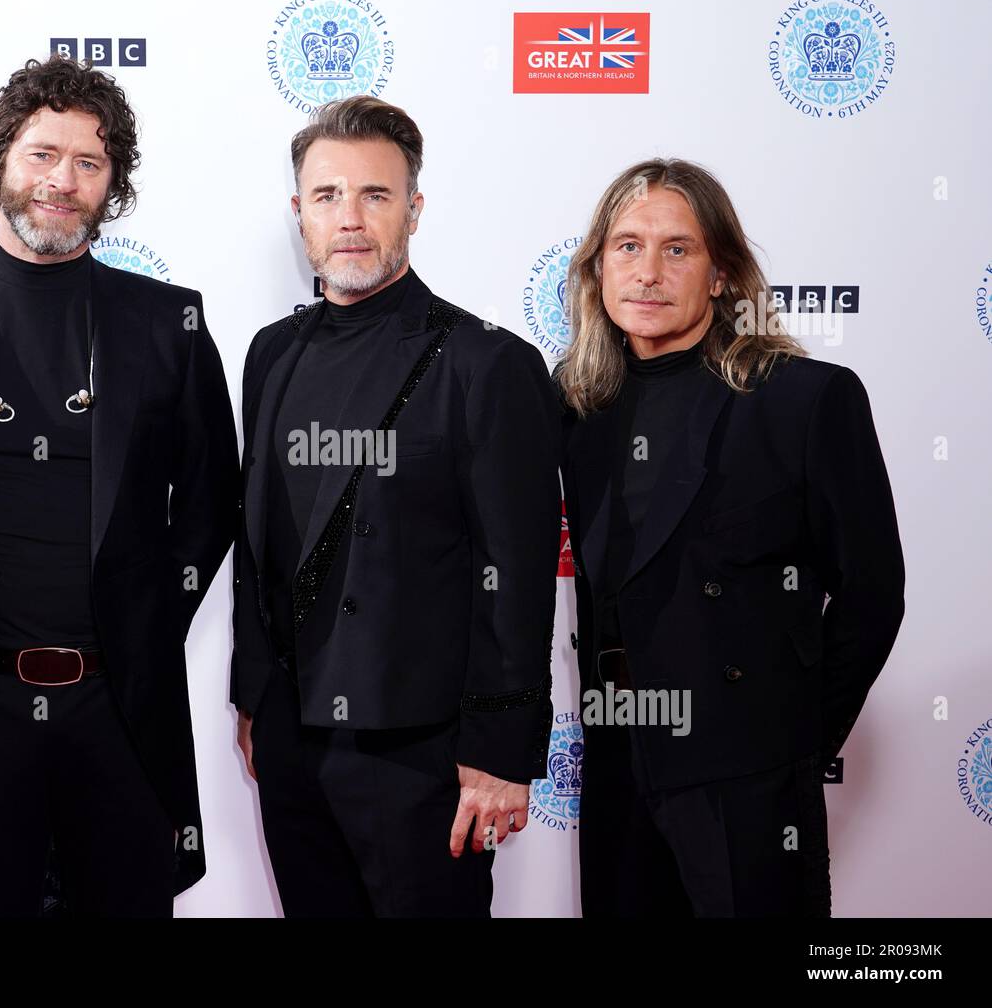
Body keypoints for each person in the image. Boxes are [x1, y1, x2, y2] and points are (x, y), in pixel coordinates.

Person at [0, 55, 239, 917]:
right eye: (42, 155)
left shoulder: (166, 322)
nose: (63, 181)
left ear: (112, 186)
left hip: (121, 709)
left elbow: (212, 504)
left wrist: (147, 615)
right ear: (0, 166)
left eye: (89, 163)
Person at [229, 95, 562, 916]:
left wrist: (501, 753)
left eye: (375, 196)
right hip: (292, 743)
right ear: (298, 214)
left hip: (423, 755)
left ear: (414, 210)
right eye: (327, 196)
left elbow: (517, 576)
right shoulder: (270, 353)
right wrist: (253, 701)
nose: (350, 218)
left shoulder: (484, 363)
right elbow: (260, 543)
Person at [553, 157, 905, 916]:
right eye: (627, 246)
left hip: (746, 777)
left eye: (677, 248)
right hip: (619, 765)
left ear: (720, 275)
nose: (648, 271)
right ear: (597, 267)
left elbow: (873, 595)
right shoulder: (577, 408)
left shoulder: (803, 399)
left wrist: (789, 744)